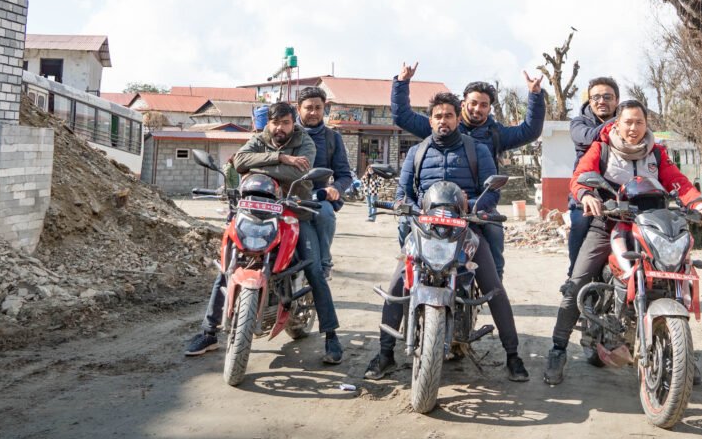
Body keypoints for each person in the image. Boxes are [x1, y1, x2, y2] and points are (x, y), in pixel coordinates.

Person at [543, 99, 702, 386]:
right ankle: (558, 350)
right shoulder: (602, 147)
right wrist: (586, 195)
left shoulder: (657, 153)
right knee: (578, 280)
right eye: (628, 122)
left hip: (650, 224)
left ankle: (682, 353)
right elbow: (580, 176)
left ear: (647, 125)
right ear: (617, 124)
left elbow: (678, 183)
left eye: (639, 122)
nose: (634, 128)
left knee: (675, 274)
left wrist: (699, 203)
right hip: (608, 221)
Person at [364, 92, 529, 383]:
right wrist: (408, 208)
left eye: (449, 115)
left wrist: (473, 204)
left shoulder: (477, 150)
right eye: (438, 116)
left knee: (492, 285)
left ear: (457, 117)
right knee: (399, 282)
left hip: (465, 229)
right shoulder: (416, 153)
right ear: (430, 120)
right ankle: (385, 353)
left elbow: (492, 193)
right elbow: (404, 193)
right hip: (425, 230)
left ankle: (513, 356)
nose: (443, 120)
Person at [184, 102, 344, 365]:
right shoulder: (260, 138)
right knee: (229, 265)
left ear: (293, 123)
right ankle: (209, 332)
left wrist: (257, 167)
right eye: (275, 122)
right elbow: (238, 162)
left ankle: (331, 336)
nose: (279, 127)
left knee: (314, 269)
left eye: (285, 123)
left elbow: (298, 171)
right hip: (254, 211)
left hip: (294, 212)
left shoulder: (306, 143)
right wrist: (280, 158)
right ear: (268, 123)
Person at [391, 62, 547, 276]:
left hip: (476, 204)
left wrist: (535, 96)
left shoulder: (495, 133)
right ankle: (410, 272)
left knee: (494, 232)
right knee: (404, 225)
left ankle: (495, 282)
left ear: (489, 108)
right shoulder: (444, 124)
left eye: (483, 105)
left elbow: (529, 131)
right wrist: (402, 83)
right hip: (432, 205)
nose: (477, 109)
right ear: (462, 104)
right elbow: (403, 117)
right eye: (473, 103)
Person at [295, 85, 354, 278]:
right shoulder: (287, 131)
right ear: (298, 108)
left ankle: (324, 262)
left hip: (316, 197)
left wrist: (335, 188)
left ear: (324, 109)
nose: (313, 112)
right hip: (286, 196)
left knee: (326, 213)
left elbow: (344, 174)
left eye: (318, 108)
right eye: (308, 107)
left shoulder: (332, 138)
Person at [566, 76, 620, 277]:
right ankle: (574, 276)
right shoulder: (578, 123)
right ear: (589, 101)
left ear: (616, 100)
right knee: (580, 222)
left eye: (607, 96)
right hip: (585, 190)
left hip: (620, 193)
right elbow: (589, 137)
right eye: (595, 97)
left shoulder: (628, 123)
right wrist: (619, 121)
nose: (601, 101)